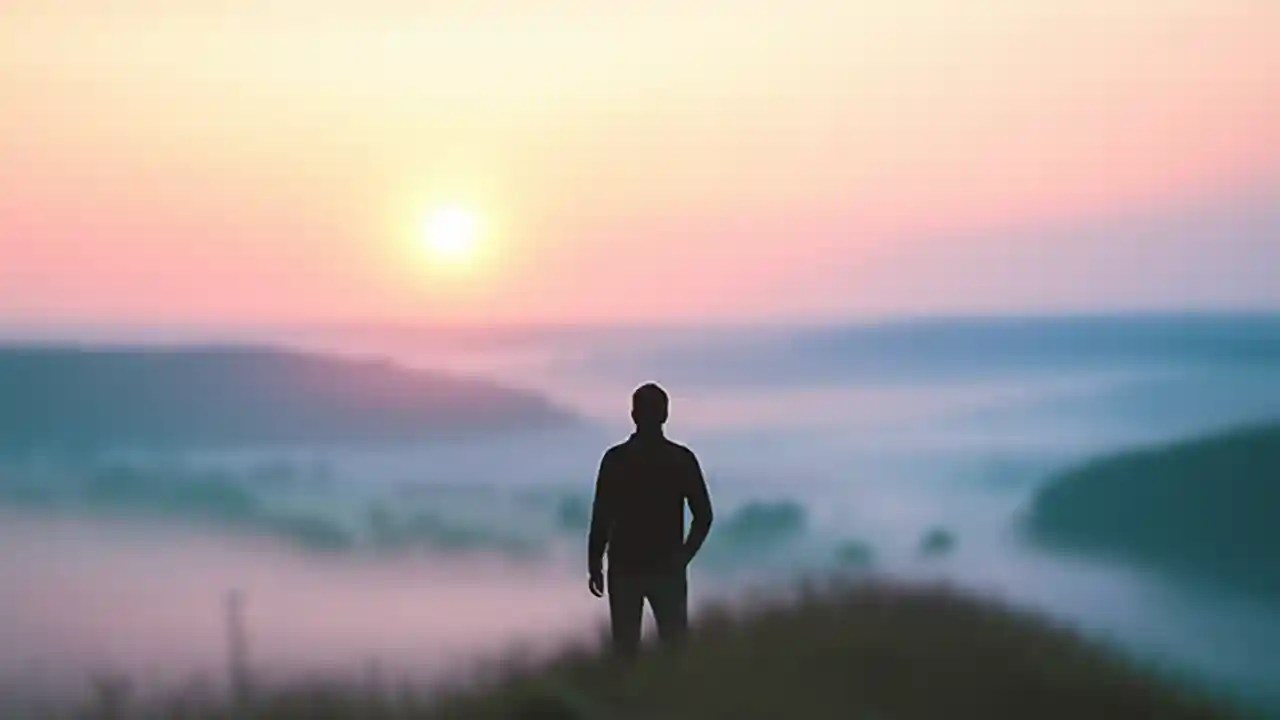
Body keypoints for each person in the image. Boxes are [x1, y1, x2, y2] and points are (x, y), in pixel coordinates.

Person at [587, 383, 714, 659]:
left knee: (625, 653)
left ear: (633, 415)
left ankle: (629, 700)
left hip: (625, 567)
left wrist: (594, 562)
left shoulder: (616, 459)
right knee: (675, 650)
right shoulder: (680, 459)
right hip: (666, 567)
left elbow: (601, 515)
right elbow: (704, 516)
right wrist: (683, 556)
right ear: (665, 414)